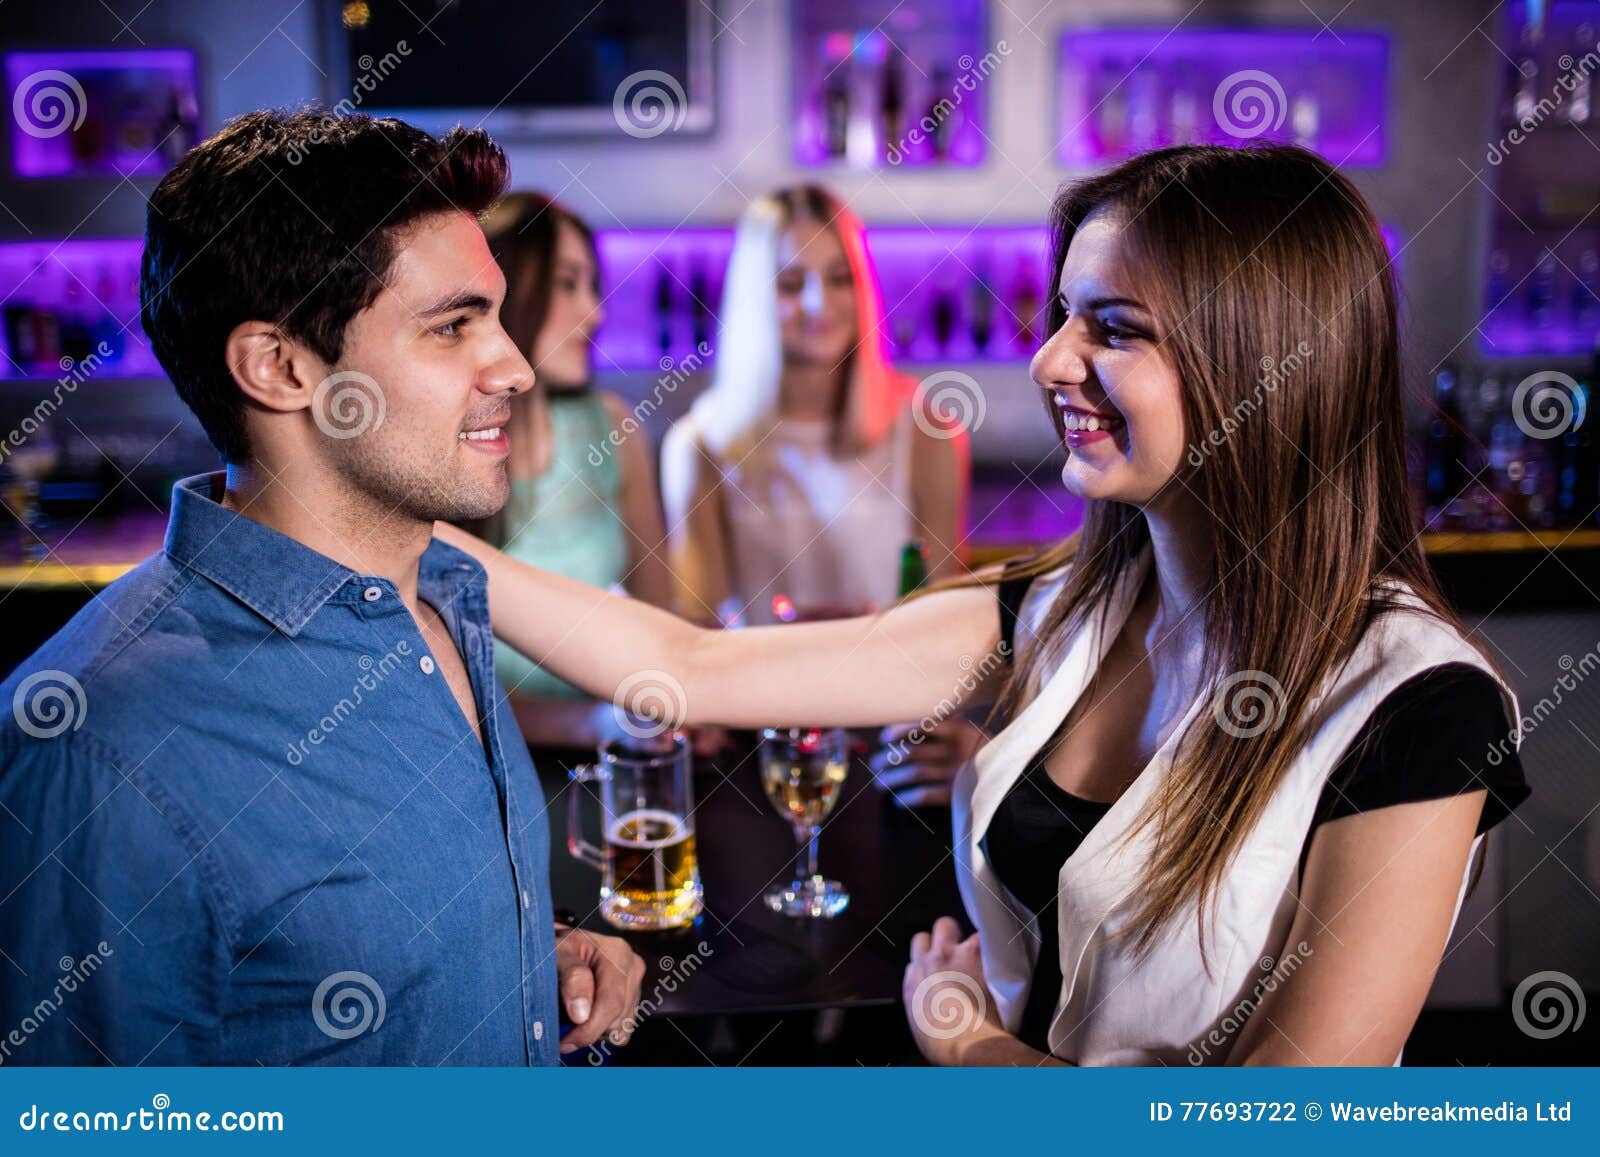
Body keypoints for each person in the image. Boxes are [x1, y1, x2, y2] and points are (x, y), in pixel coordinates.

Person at [435, 143, 1531, 1066]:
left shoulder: (1420, 705)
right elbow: (696, 663)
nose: (1051, 359)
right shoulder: (1064, 604)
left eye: (1113, 326)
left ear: (1264, 367)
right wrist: (407, 528)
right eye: (1063, 316)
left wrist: (973, 1047)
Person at [0, 109, 643, 1065]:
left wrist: (519, 960)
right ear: (283, 366)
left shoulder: (450, 597)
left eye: (498, 316)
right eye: (454, 326)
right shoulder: (98, 745)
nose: (512, 364)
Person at [660, 183, 976, 802]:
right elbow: (698, 634)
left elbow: (947, 617)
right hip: (761, 752)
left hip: (889, 749)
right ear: (754, 298)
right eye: (788, 282)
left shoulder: (928, 428)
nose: (818, 302)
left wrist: (948, 734)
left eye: (839, 278)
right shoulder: (700, 445)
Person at [469, 192, 672, 749]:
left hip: (617, 761)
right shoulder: (450, 452)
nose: (595, 311)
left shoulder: (612, 427)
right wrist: (597, 725)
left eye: (592, 286)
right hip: (498, 770)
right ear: (502, 288)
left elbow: (662, 621)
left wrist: (677, 704)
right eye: (566, 284)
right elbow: (448, 683)